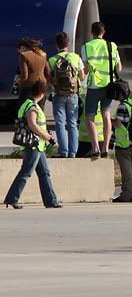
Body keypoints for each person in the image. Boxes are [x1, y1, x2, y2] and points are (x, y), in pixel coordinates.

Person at [4, 81, 61, 209]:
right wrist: (46, 135)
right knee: (26, 172)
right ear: (42, 93)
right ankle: (12, 198)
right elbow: (32, 124)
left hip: (37, 146)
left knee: (44, 173)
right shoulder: (33, 107)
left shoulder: (26, 104)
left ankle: (51, 201)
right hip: (33, 145)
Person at [82, 21, 121, 159]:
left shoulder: (86, 47)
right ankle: (105, 148)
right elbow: (119, 68)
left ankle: (95, 147)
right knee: (106, 115)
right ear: (103, 33)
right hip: (109, 86)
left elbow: (86, 69)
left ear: (91, 33)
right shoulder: (112, 46)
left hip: (94, 86)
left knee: (89, 118)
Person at [47, 32, 83, 159]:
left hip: (58, 94)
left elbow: (49, 78)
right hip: (73, 94)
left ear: (57, 45)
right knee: (72, 123)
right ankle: (73, 152)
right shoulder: (76, 57)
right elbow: (82, 76)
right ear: (68, 43)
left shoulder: (52, 60)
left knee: (60, 123)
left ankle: (63, 151)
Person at [112, 93, 132, 202]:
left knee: (126, 172)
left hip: (124, 144)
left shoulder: (122, 106)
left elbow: (118, 122)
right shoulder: (131, 104)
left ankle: (126, 194)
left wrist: (108, 120)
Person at [15, 37, 49, 101]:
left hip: (28, 86)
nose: (19, 51)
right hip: (41, 86)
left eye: (19, 49)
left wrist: (19, 81)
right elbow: (47, 71)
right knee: (39, 109)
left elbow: (25, 75)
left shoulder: (24, 55)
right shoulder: (42, 54)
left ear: (24, 47)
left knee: (26, 108)